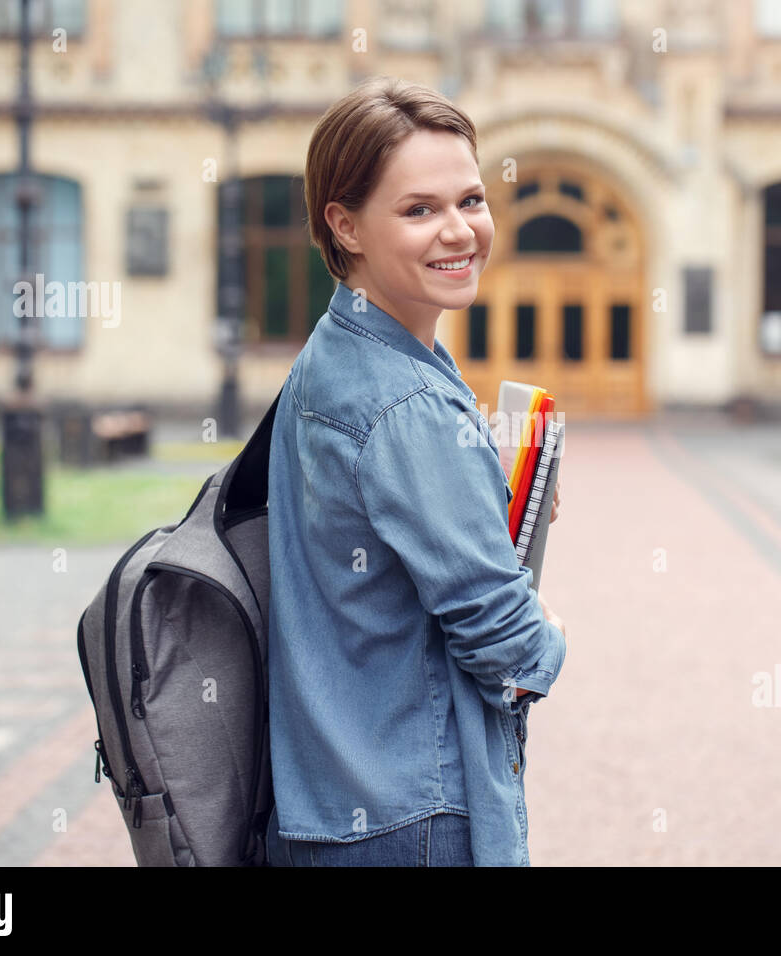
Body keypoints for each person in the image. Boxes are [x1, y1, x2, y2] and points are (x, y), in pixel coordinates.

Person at [265, 75, 567, 867]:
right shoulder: (406, 403)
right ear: (346, 226)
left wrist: (480, 506)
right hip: (413, 815)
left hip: (335, 799)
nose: (459, 231)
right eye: (419, 210)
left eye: (470, 200)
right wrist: (550, 637)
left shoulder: (336, 355)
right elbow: (507, 650)